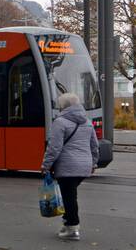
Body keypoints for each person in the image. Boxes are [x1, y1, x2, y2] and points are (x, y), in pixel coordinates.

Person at [42, 91, 100, 240]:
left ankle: (72, 228)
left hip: (67, 165)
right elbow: (94, 145)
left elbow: (54, 147)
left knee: (69, 196)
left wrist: (46, 165)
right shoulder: (87, 121)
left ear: (63, 106)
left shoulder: (60, 122)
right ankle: (67, 224)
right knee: (69, 195)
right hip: (84, 166)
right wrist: (94, 163)